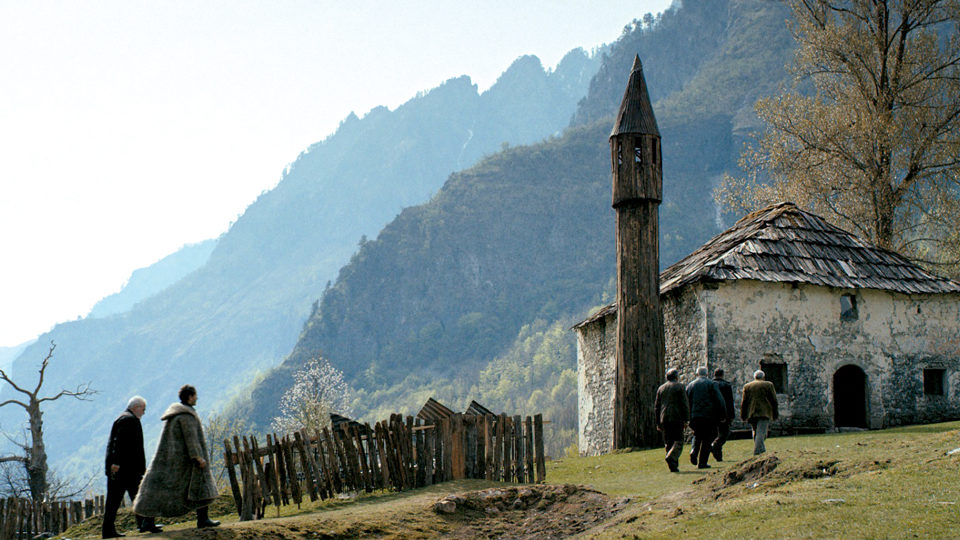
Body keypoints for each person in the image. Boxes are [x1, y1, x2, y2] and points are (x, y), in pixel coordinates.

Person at [133, 385, 221, 528]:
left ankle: (148, 522)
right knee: (201, 487)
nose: (197, 398)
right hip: (186, 463)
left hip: (171, 461)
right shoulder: (186, 416)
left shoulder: (175, 414)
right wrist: (198, 457)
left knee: (161, 490)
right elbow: (191, 439)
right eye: (195, 395)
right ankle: (203, 519)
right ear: (190, 397)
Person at [102, 396, 162, 538]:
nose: (144, 412)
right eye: (143, 409)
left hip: (124, 469)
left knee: (124, 499)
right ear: (136, 407)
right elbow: (119, 443)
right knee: (138, 496)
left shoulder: (123, 418)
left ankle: (143, 524)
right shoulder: (128, 420)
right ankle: (144, 524)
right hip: (126, 469)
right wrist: (116, 462)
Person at [686, 366, 725, 469]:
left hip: (694, 415)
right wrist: (722, 414)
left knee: (697, 434)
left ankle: (694, 450)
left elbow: (687, 401)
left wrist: (687, 416)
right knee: (708, 438)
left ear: (697, 374)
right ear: (707, 374)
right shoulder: (712, 384)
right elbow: (719, 400)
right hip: (709, 416)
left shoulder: (690, 385)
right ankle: (702, 462)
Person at [654, 368, 690, 472]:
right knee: (679, 441)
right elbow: (684, 404)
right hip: (677, 417)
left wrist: (658, 422)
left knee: (669, 442)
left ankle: (673, 466)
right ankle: (671, 457)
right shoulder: (680, 387)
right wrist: (686, 419)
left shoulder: (661, 388)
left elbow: (657, 407)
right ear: (676, 377)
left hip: (664, 418)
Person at [740, 369, 779, 455]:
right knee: (761, 433)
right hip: (764, 412)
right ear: (763, 377)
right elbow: (773, 400)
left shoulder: (747, 386)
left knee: (756, 432)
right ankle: (758, 451)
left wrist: (743, 415)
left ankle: (760, 450)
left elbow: (744, 402)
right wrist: (775, 413)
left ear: (754, 377)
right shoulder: (768, 385)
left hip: (751, 412)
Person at [710, 368, 735, 462]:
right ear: (722, 374)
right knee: (724, 433)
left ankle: (718, 456)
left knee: (715, 434)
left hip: (712, 413)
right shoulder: (726, 385)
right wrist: (731, 415)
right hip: (724, 413)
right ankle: (715, 446)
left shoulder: (710, 384)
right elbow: (729, 401)